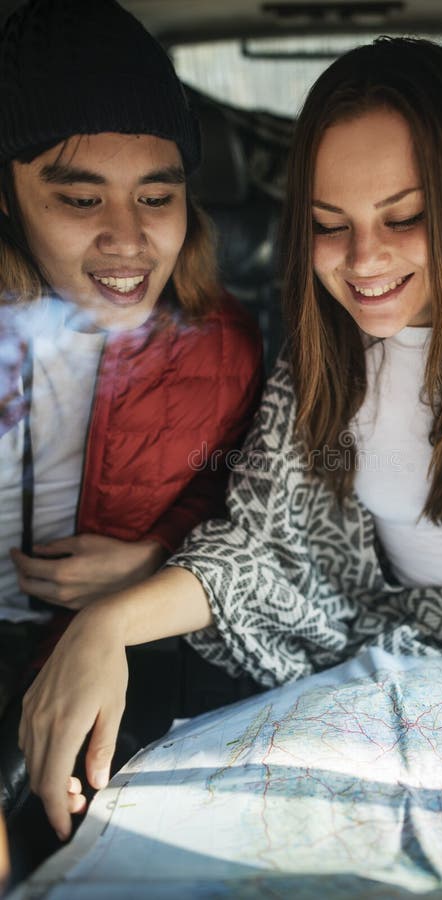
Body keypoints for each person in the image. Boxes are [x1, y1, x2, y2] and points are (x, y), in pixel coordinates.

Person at [19, 36, 442, 842]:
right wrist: (108, 624)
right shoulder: (323, 352)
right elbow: (265, 544)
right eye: (330, 224)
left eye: (405, 217)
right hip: (363, 685)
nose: (363, 262)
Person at [0, 0, 262, 818]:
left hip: (126, 647)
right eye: (80, 201)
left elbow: (235, 494)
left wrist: (158, 554)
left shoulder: (221, 343)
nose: (129, 239)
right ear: (6, 197)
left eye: (156, 197)